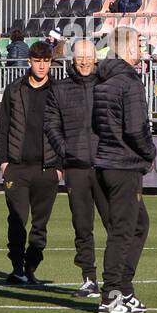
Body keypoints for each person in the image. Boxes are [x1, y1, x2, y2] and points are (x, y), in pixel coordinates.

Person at [91, 26, 155, 313]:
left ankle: (124, 289)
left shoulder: (102, 80)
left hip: (107, 161)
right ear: (129, 49)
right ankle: (112, 294)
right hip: (124, 164)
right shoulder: (129, 81)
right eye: (138, 45)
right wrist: (149, 152)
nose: (140, 50)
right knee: (123, 230)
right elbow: (135, 128)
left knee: (138, 225)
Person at [44, 39, 106, 299]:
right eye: (79, 57)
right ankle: (89, 278)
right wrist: (65, 150)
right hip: (75, 167)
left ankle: (118, 279)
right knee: (82, 225)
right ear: (73, 59)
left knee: (115, 224)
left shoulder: (106, 86)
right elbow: (50, 124)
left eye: (88, 57)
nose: (83, 62)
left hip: (105, 165)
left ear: (95, 58)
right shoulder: (59, 89)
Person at [0, 41, 61, 285]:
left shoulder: (58, 90)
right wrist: (4, 162)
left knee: (40, 226)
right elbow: (3, 128)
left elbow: (65, 129)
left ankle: (31, 267)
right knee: (16, 220)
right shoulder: (14, 90)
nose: (42, 66)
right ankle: (17, 268)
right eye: (37, 60)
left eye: (46, 61)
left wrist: (60, 167)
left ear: (51, 63)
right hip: (18, 168)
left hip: (48, 169)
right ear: (29, 61)